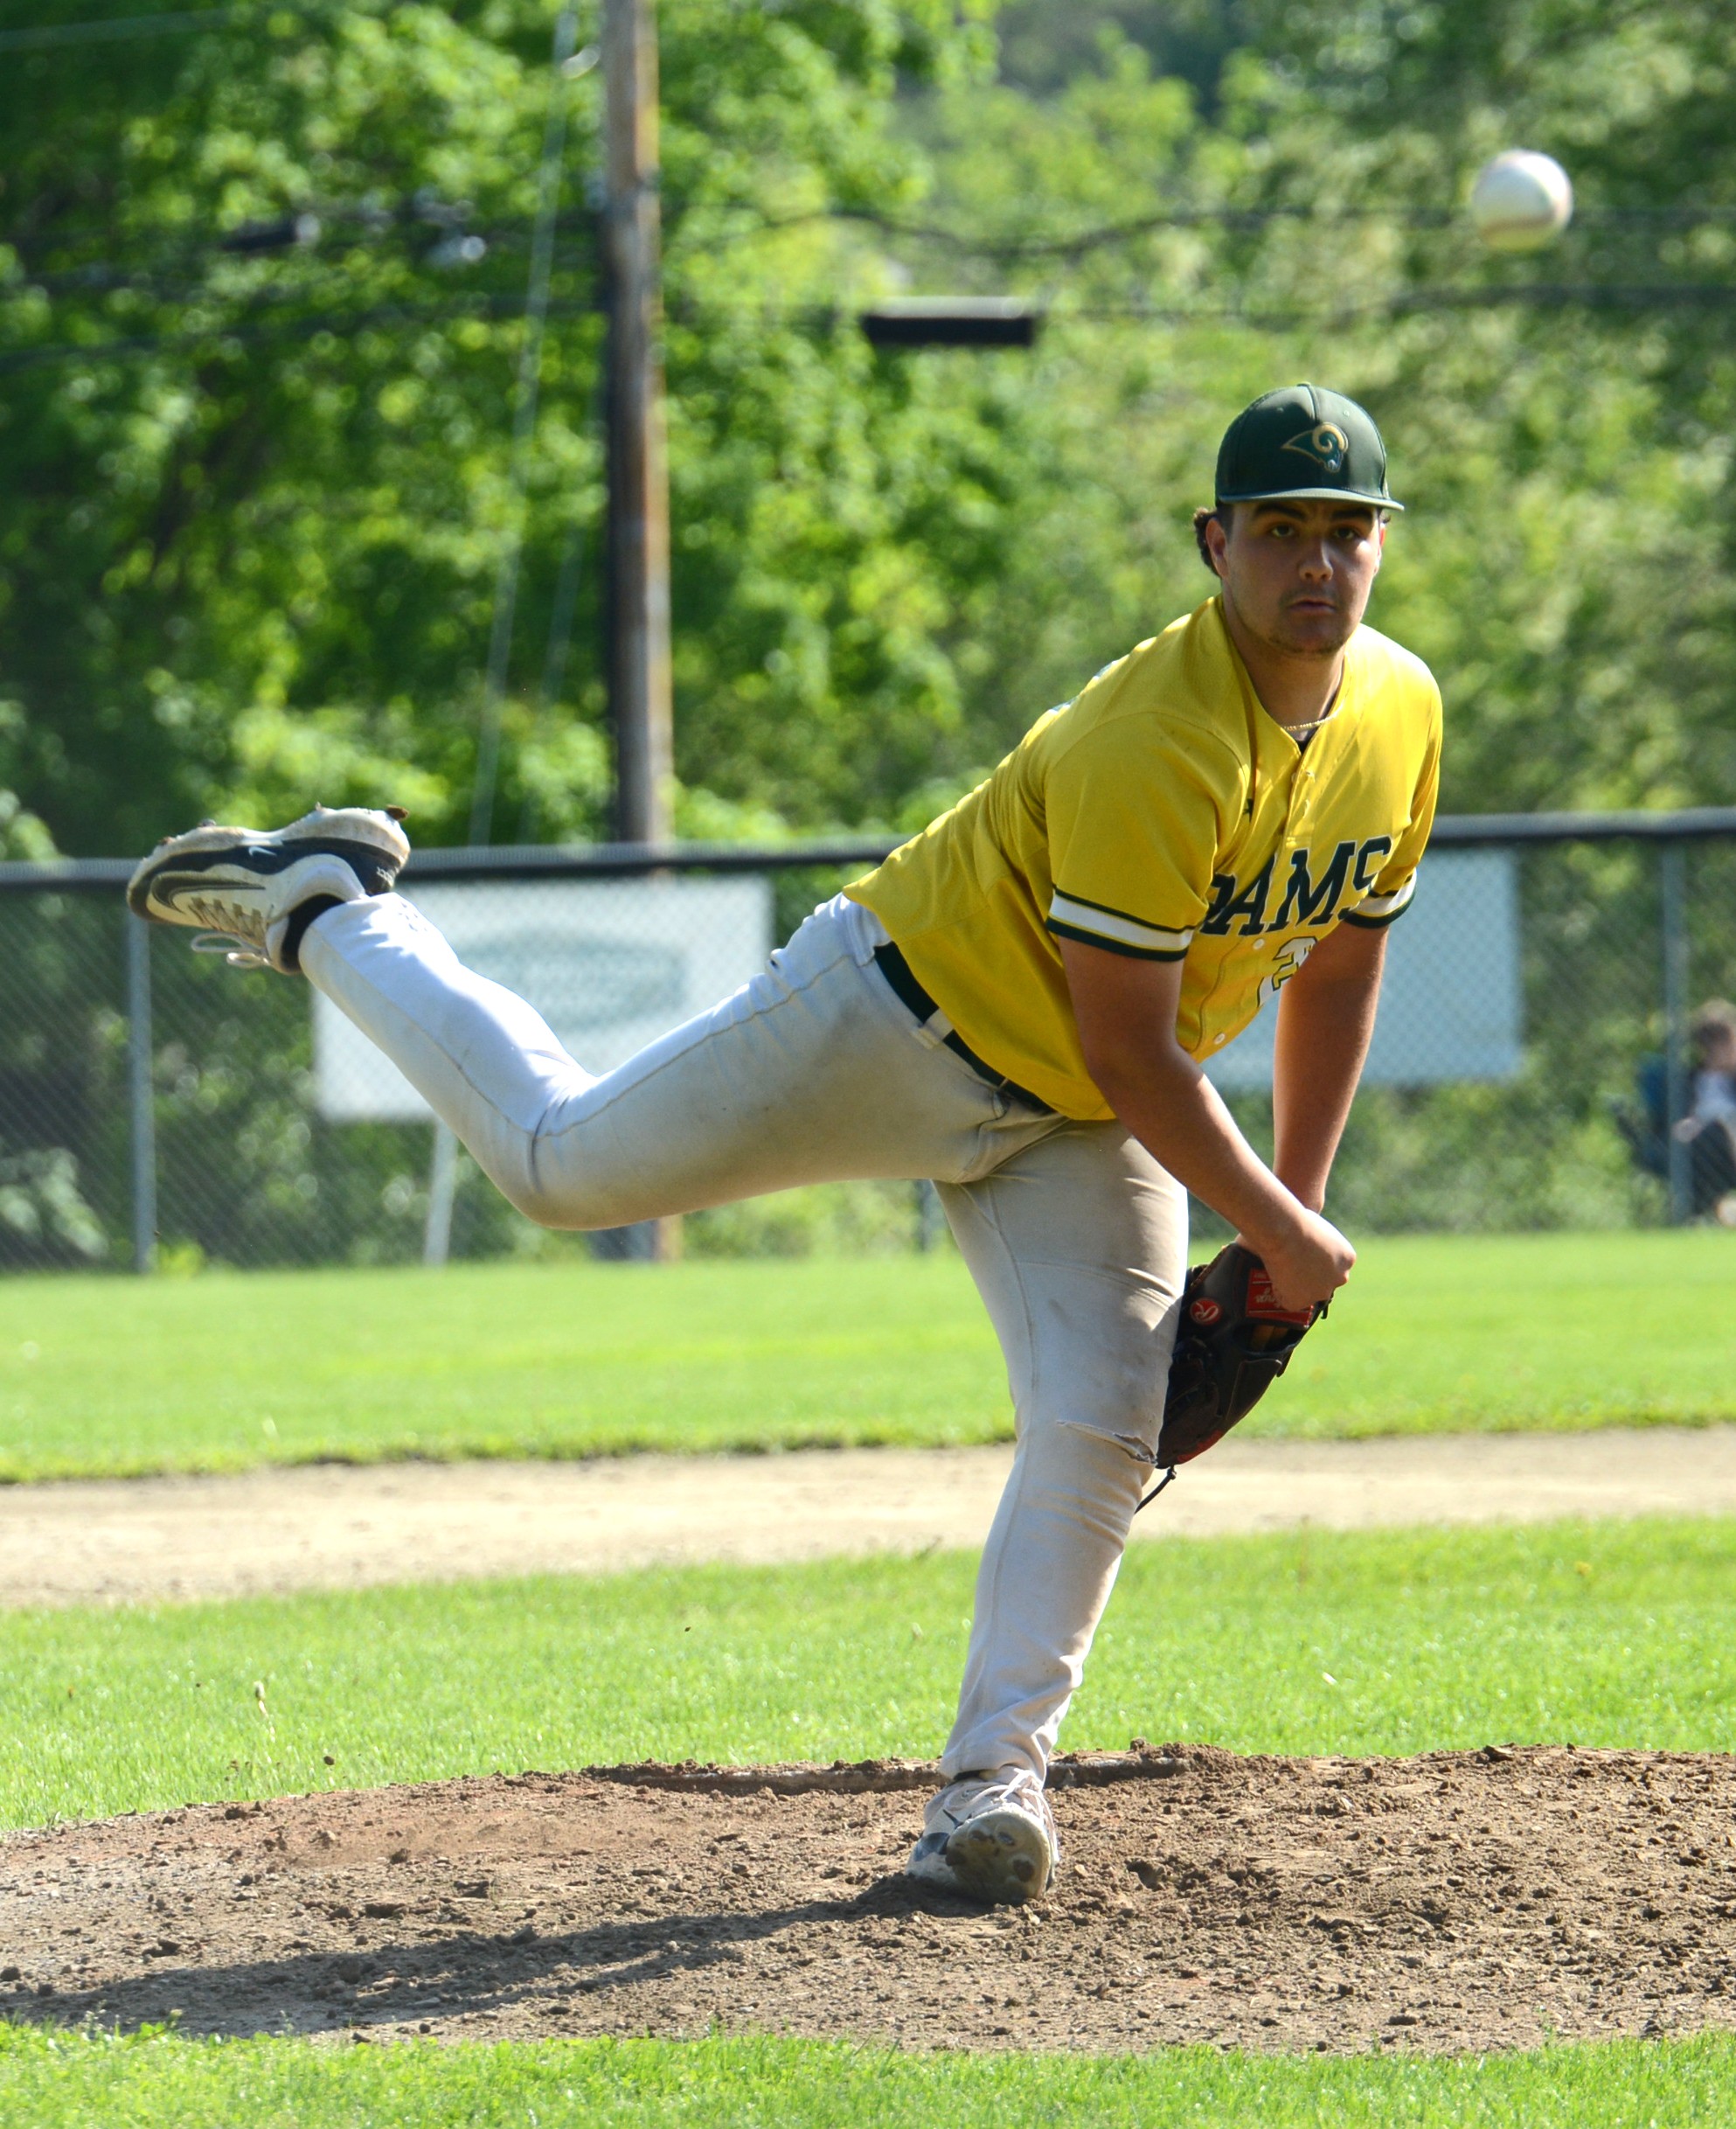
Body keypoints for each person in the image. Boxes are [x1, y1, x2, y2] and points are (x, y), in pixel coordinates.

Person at [128, 383, 1441, 1907]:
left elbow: (1341, 966)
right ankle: (333, 911)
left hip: (1074, 1125)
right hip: (895, 1018)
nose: (1316, 564)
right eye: (1280, 529)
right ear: (1214, 544)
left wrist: (1303, 1213)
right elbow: (1128, 1047)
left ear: (1379, 549)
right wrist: (1277, 1225)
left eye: (1348, 532)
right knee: (561, 1169)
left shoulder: (1399, 711)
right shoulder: (1152, 737)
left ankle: (989, 1790)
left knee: (1100, 1419)